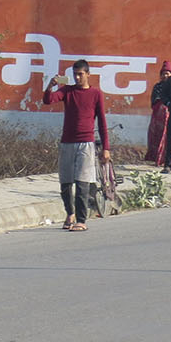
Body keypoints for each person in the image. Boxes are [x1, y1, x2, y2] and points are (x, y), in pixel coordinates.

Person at [44, 59, 111, 232]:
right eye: (75, 74)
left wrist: (106, 148)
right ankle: (70, 214)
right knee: (66, 182)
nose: (77, 77)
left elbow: (102, 122)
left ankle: (81, 220)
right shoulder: (67, 90)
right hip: (67, 142)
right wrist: (50, 85)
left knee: (82, 182)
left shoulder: (96, 94)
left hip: (86, 143)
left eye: (80, 74)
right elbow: (48, 100)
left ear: (88, 74)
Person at [146, 60, 171, 166]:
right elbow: (154, 100)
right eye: (163, 73)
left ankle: (167, 160)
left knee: (168, 136)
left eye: (167, 73)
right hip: (157, 116)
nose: (165, 76)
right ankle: (156, 157)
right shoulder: (157, 86)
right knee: (156, 135)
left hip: (170, 115)